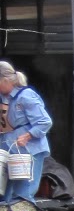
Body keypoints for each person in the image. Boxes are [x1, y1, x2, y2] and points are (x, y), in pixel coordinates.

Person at [0, 61, 52, 203]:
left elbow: (44, 121)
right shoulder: (3, 97)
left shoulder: (26, 95)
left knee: (22, 195)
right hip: (7, 153)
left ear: (5, 80)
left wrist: (28, 135)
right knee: (5, 195)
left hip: (28, 152)